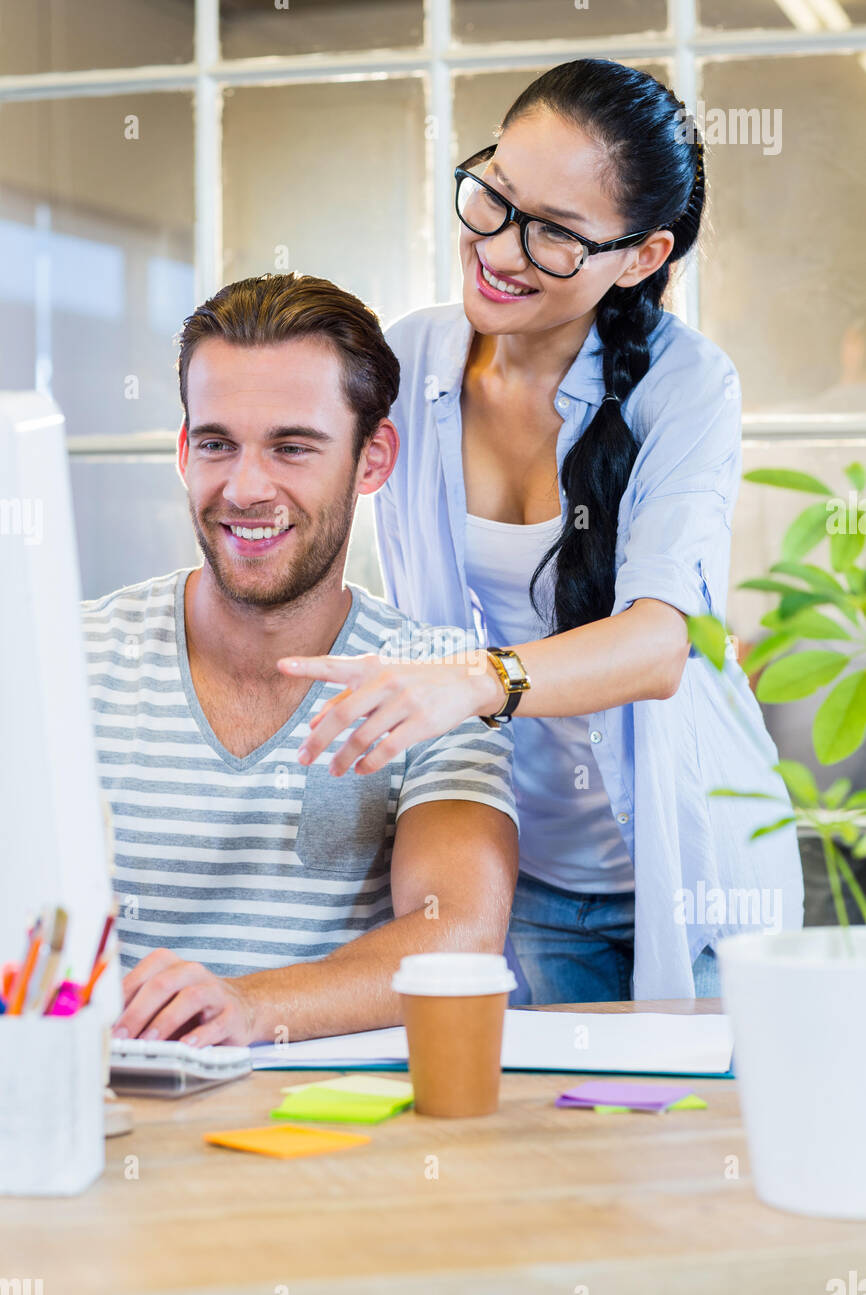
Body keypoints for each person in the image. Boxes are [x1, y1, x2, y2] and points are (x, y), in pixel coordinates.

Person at [278, 58, 805, 1003]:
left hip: (700, 866)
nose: (502, 249)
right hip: (526, 875)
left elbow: (658, 645)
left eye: (557, 234)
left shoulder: (686, 386)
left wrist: (472, 683)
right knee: (540, 1141)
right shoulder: (407, 361)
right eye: (494, 197)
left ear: (643, 256)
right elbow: (299, 502)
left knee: (697, 1149)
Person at [82, 272, 518, 1046]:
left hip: (330, 1136)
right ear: (184, 452)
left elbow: (456, 934)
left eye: (292, 447)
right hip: (107, 1123)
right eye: (217, 444)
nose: (246, 488)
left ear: (373, 458)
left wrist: (244, 1008)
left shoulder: (437, 679)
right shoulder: (70, 662)